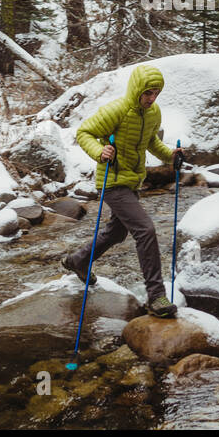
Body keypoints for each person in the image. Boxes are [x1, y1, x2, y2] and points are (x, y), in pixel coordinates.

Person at [61, 63, 184, 318]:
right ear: (137, 89)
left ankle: (79, 260)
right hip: (112, 181)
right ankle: (156, 296)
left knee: (116, 233)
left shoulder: (153, 112)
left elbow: (151, 141)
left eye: (156, 94)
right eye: (148, 93)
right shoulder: (116, 110)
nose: (152, 99)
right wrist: (99, 151)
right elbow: (84, 132)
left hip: (131, 181)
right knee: (145, 230)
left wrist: (170, 155)